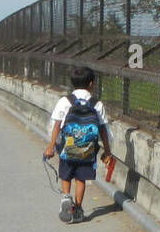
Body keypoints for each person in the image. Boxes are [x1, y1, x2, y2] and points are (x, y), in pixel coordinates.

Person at [43, 67, 112, 223]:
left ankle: (66, 197)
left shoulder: (65, 101)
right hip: (88, 149)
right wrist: (107, 151)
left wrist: (51, 146)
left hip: (67, 146)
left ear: (72, 83)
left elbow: (56, 125)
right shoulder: (97, 104)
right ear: (91, 84)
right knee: (81, 178)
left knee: (66, 174)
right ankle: (78, 208)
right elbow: (103, 129)